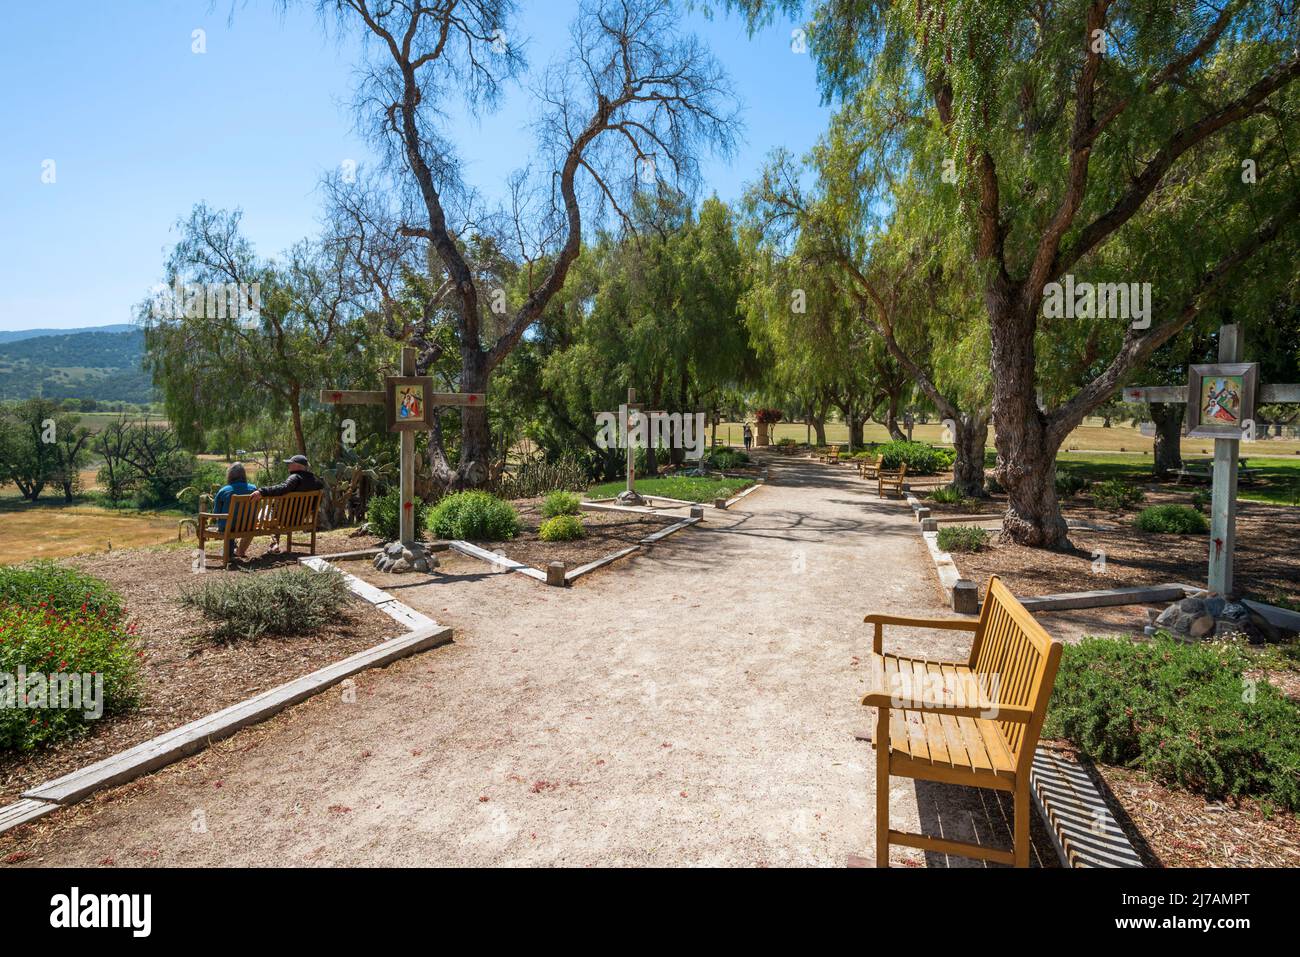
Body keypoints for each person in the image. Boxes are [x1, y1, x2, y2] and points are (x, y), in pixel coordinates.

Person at [249, 454, 324, 554]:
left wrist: (262, 491)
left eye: (290, 463)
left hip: (284, 519)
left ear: (298, 466)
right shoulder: (316, 482)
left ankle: (274, 543)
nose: (288, 465)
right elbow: (315, 504)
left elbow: (283, 488)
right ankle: (274, 543)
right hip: (299, 519)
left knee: (265, 512)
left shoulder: (295, 477)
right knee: (273, 514)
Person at [212, 463, 258, 561]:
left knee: (228, 523)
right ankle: (234, 551)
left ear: (230, 475)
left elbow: (216, 513)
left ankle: (228, 553)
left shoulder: (223, 491)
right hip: (248, 526)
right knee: (232, 523)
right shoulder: (254, 489)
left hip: (229, 527)